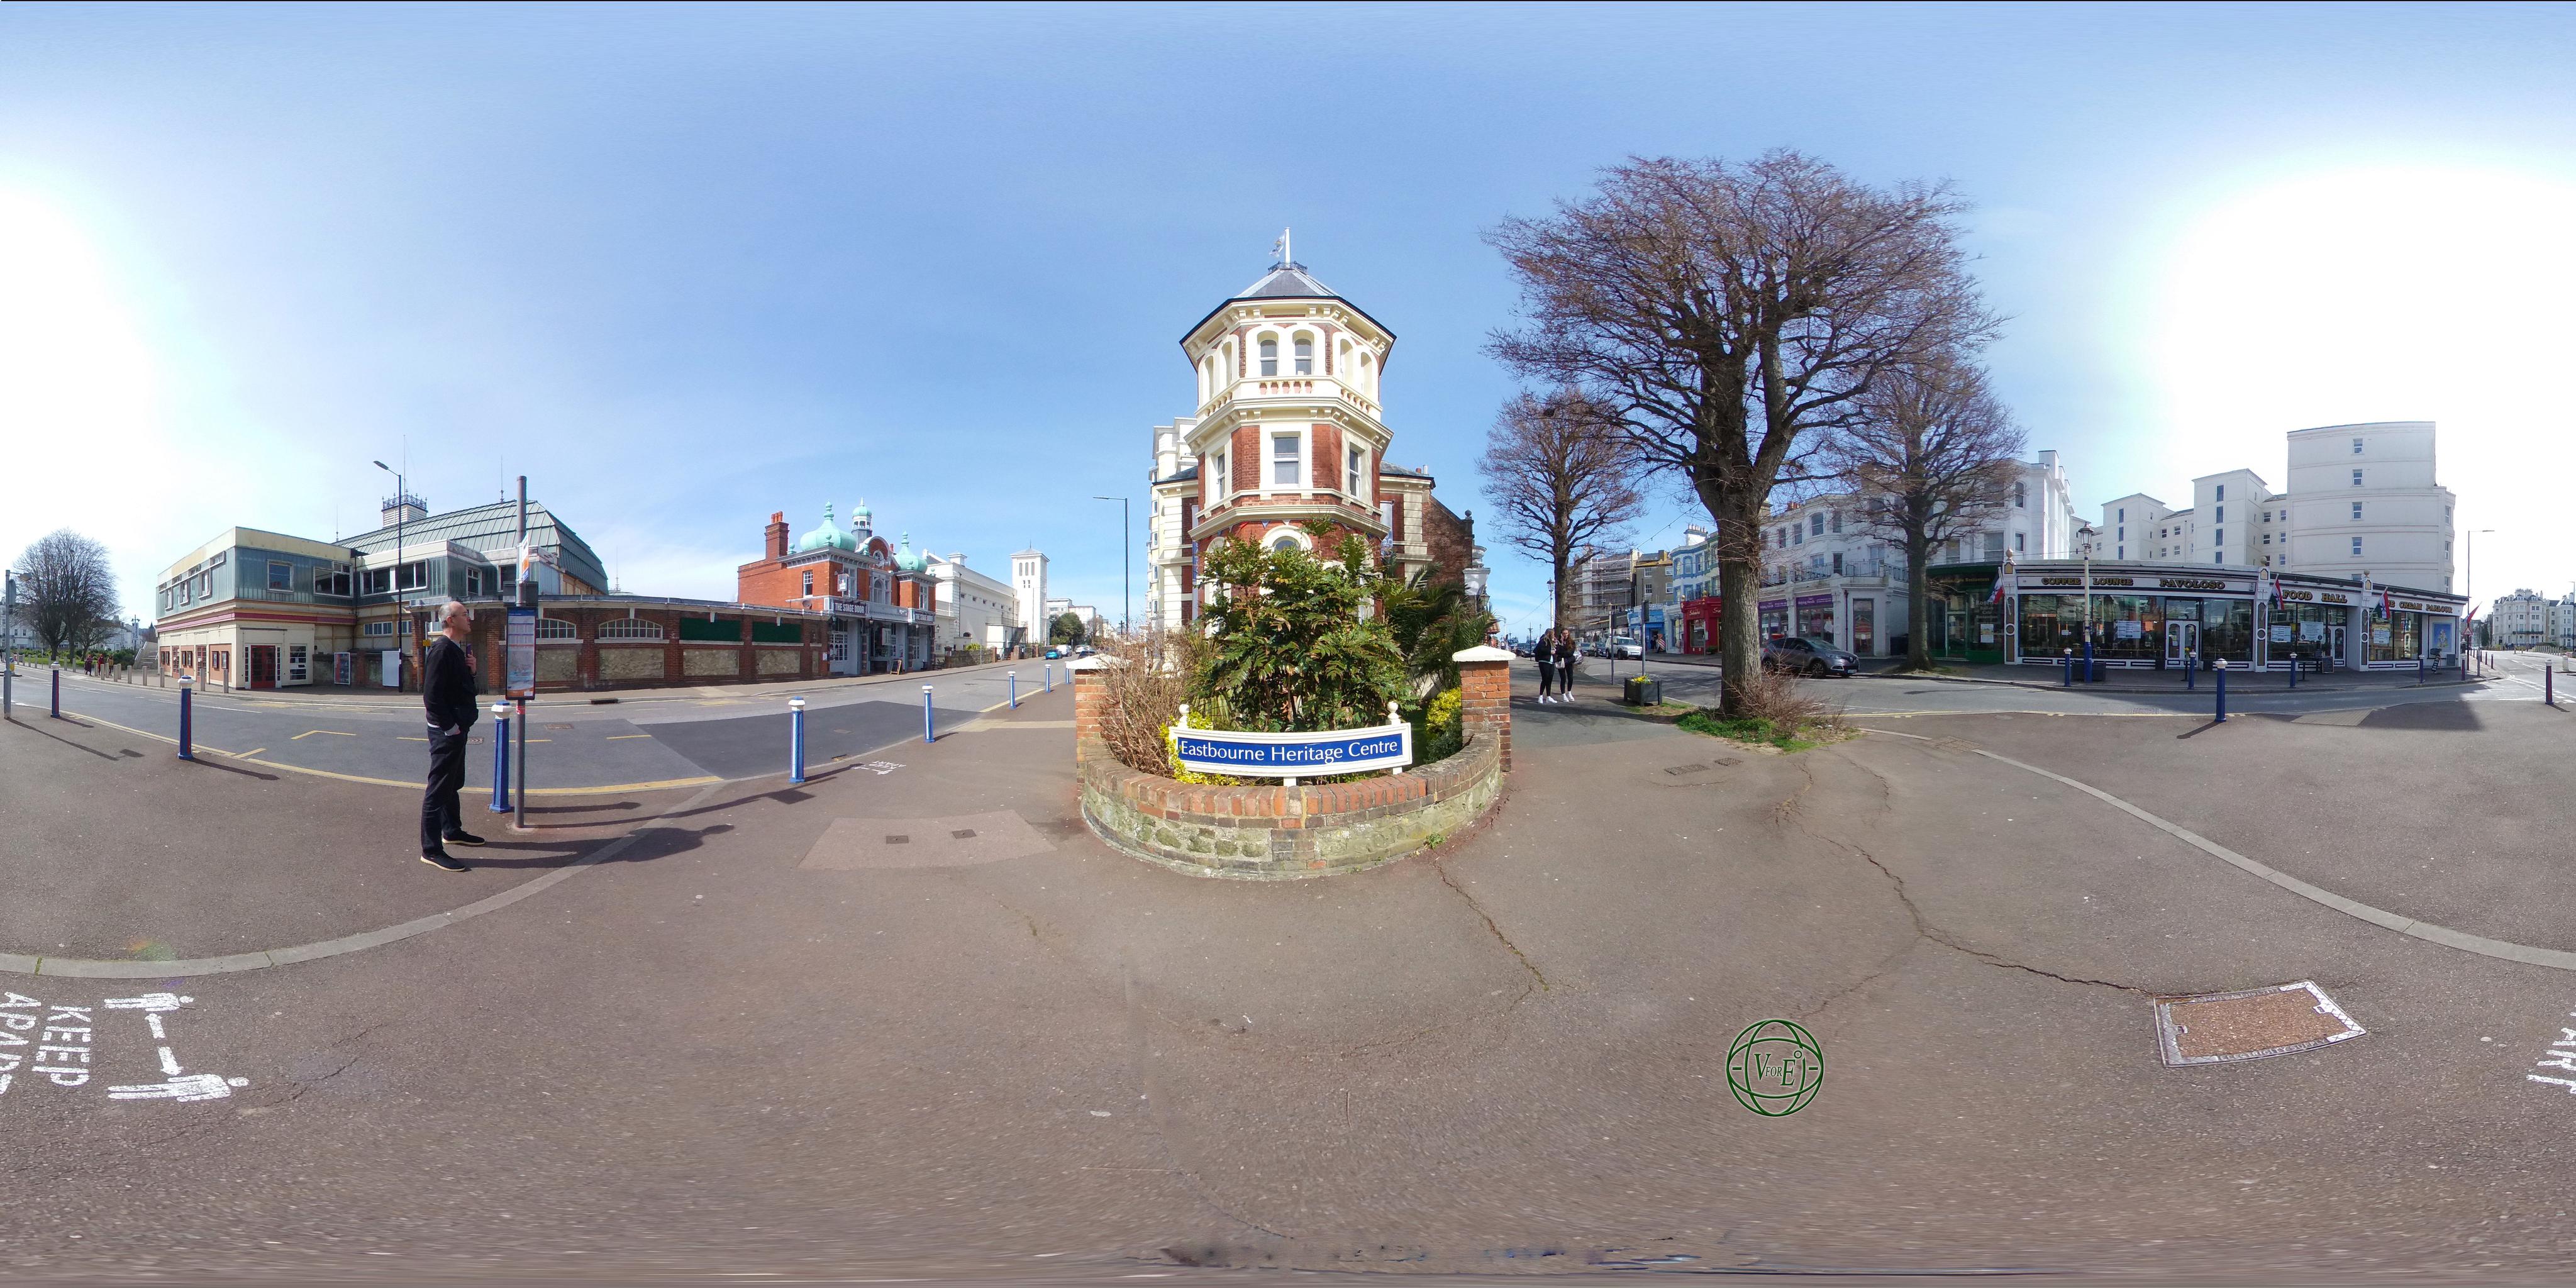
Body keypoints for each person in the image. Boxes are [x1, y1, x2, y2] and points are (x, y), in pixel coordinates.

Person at [419, 600, 486, 872]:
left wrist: (473, 671)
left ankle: (452, 830)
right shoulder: (441, 650)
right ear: (450, 620)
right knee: (438, 789)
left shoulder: (457, 651)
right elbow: (431, 697)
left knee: (453, 782)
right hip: (448, 732)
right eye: (465, 615)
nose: (469, 619)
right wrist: (450, 728)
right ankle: (431, 850)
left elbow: (464, 691)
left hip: (459, 728)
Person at [1535, 629, 1559, 703]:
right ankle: (1541, 696)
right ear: (1550, 633)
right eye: (1553, 634)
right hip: (1544, 662)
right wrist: (1549, 652)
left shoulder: (1552, 642)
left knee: (1550, 679)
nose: (1554, 635)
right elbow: (1539, 650)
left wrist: (1556, 644)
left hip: (1551, 663)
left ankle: (1549, 696)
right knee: (1545, 679)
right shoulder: (1543, 641)